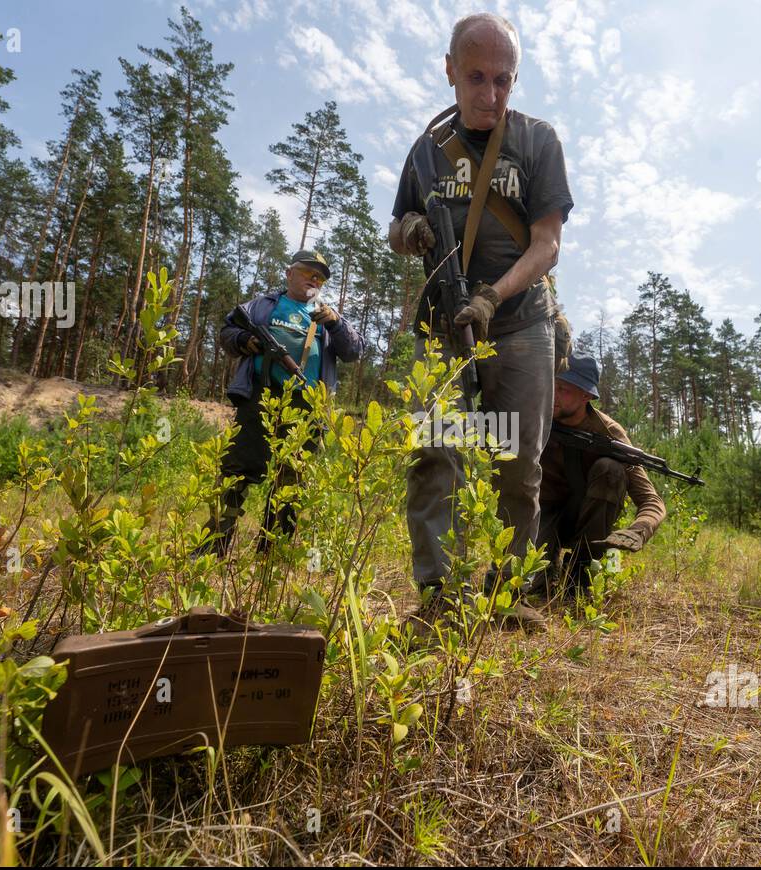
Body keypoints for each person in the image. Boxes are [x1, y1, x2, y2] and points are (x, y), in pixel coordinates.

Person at [389, 11, 574, 629]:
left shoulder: (538, 141)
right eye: (477, 78)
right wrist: (411, 229)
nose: (492, 94)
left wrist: (493, 296)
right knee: (437, 455)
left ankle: (504, 596)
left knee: (519, 464)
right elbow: (396, 226)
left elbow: (547, 244)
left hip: (520, 323)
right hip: (443, 327)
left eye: (505, 80)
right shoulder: (424, 150)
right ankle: (438, 596)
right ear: (449, 71)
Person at [194, 250, 363, 558]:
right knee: (236, 471)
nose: (314, 279)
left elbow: (354, 351)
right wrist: (246, 341)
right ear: (289, 272)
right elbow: (228, 331)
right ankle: (212, 546)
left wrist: (336, 323)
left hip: (308, 407)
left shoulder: (328, 315)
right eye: (308, 272)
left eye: (320, 276)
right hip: (261, 397)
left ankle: (271, 554)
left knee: (290, 481)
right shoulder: (261, 306)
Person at [535, 355, 667, 597]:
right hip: (539, 516)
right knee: (532, 587)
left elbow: (652, 501)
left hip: (587, 520)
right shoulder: (533, 416)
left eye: (563, 389)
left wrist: (638, 530)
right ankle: (548, 567)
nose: (553, 393)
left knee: (611, 470)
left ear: (586, 396)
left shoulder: (609, 434)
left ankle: (580, 575)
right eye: (551, 384)